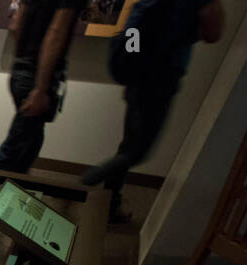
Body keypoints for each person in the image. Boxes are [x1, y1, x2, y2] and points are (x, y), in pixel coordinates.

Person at [82, 0, 225, 223]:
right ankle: (85, 183)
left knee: (128, 146)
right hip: (160, 79)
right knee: (137, 153)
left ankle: (110, 203)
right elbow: (213, 33)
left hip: (139, 74)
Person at [0, 0, 87, 174]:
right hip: (37, 78)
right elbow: (56, 33)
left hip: (22, 71)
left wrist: (24, 59)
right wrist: (40, 88)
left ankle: (10, 191)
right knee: (14, 153)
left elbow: (15, 26)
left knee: (28, 141)